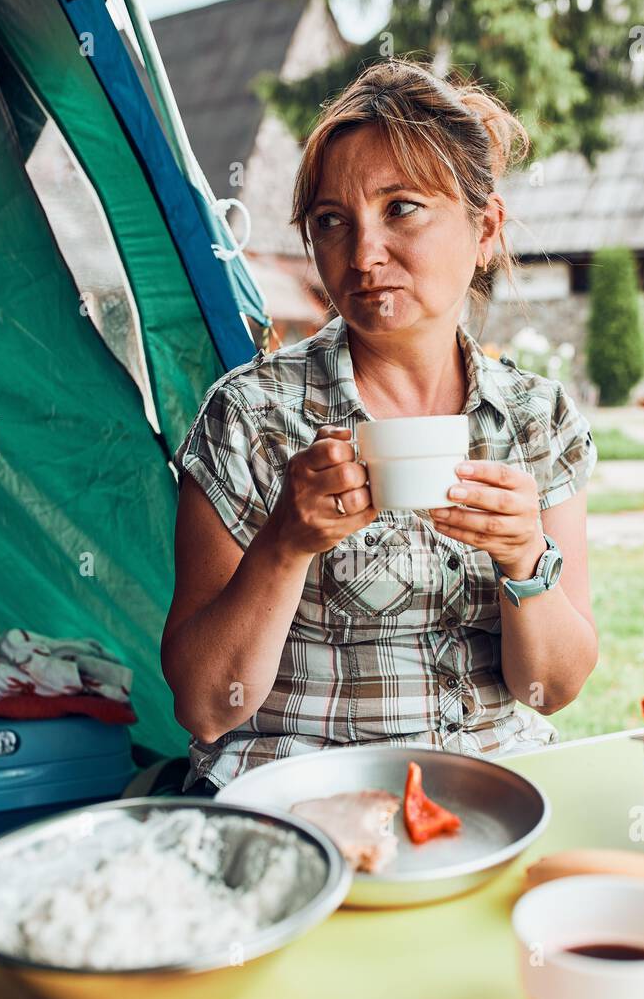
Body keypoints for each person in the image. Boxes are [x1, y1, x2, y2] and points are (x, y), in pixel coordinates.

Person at [161, 58, 599, 796]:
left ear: (484, 226)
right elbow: (206, 709)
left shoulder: (537, 419)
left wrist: (527, 562)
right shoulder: (249, 415)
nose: (363, 255)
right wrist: (285, 544)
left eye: (402, 208)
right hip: (300, 797)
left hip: (493, 791)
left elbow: (549, 693)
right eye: (333, 222)